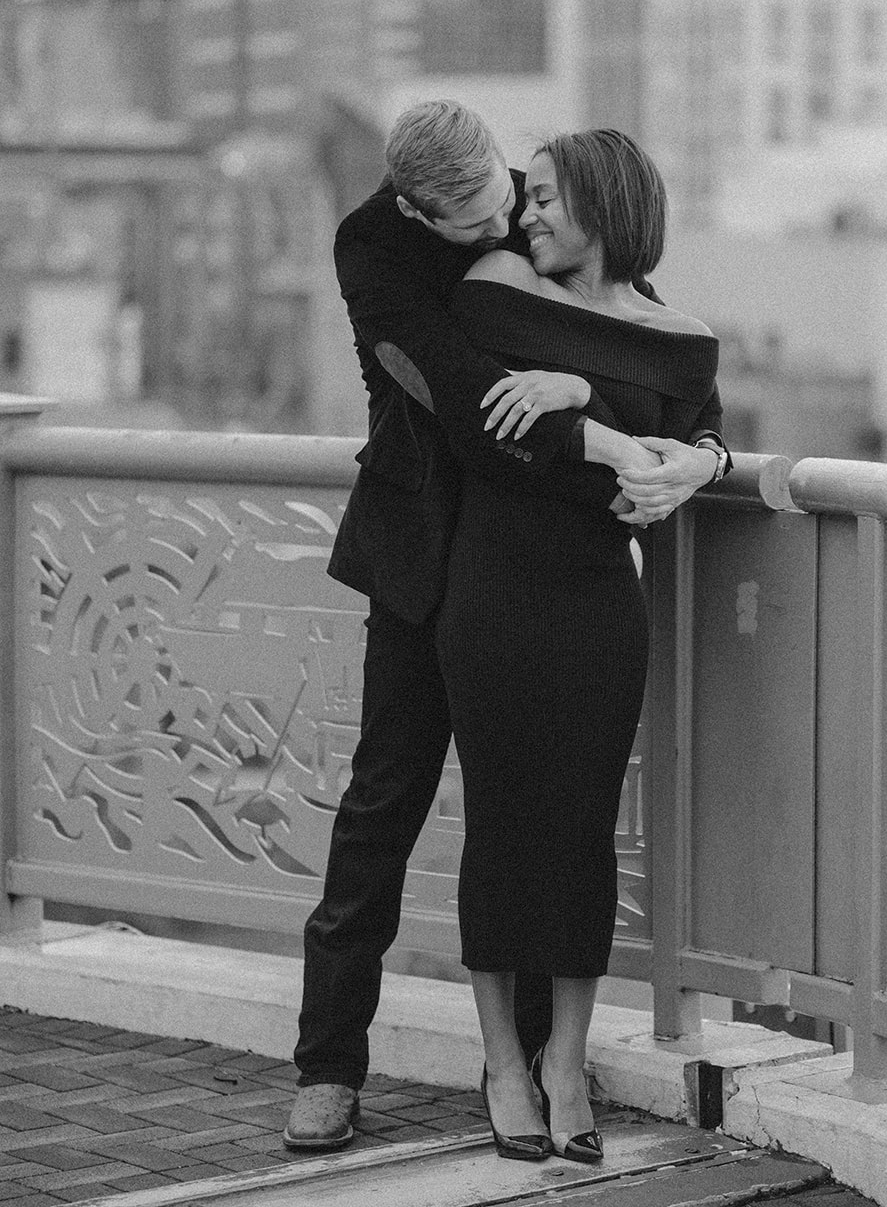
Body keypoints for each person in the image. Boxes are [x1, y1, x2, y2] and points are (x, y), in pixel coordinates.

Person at [285, 103, 727, 1151]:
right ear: (421, 210)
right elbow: (464, 392)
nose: (510, 221)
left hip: (540, 562)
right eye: (484, 210)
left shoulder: (527, 230)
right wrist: (612, 442)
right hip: (424, 552)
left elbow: (648, 352)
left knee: (545, 814)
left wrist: (699, 454)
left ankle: (537, 1064)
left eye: (517, 195)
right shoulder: (376, 249)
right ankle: (328, 1067)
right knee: (382, 808)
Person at [426, 128, 729, 1163]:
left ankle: (565, 1058)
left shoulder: (678, 337)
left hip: (601, 603)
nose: (529, 214)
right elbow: (484, 428)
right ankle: (502, 1062)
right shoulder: (494, 289)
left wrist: (696, 457)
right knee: (502, 823)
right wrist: (583, 406)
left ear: (605, 202)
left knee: (580, 831)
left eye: (548, 197)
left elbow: (698, 431)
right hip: (491, 587)